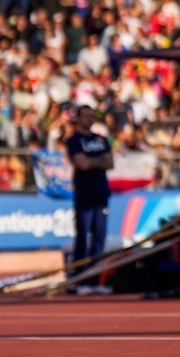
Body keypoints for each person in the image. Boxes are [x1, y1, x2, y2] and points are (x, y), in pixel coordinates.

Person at [66, 105, 114, 295]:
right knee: (82, 238)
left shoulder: (101, 139)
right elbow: (82, 164)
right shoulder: (74, 140)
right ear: (77, 118)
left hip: (101, 193)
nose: (89, 119)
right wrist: (97, 161)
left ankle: (95, 279)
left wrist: (93, 161)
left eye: (91, 116)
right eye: (85, 116)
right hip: (84, 195)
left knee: (99, 239)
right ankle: (80, 279)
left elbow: (110, 163)